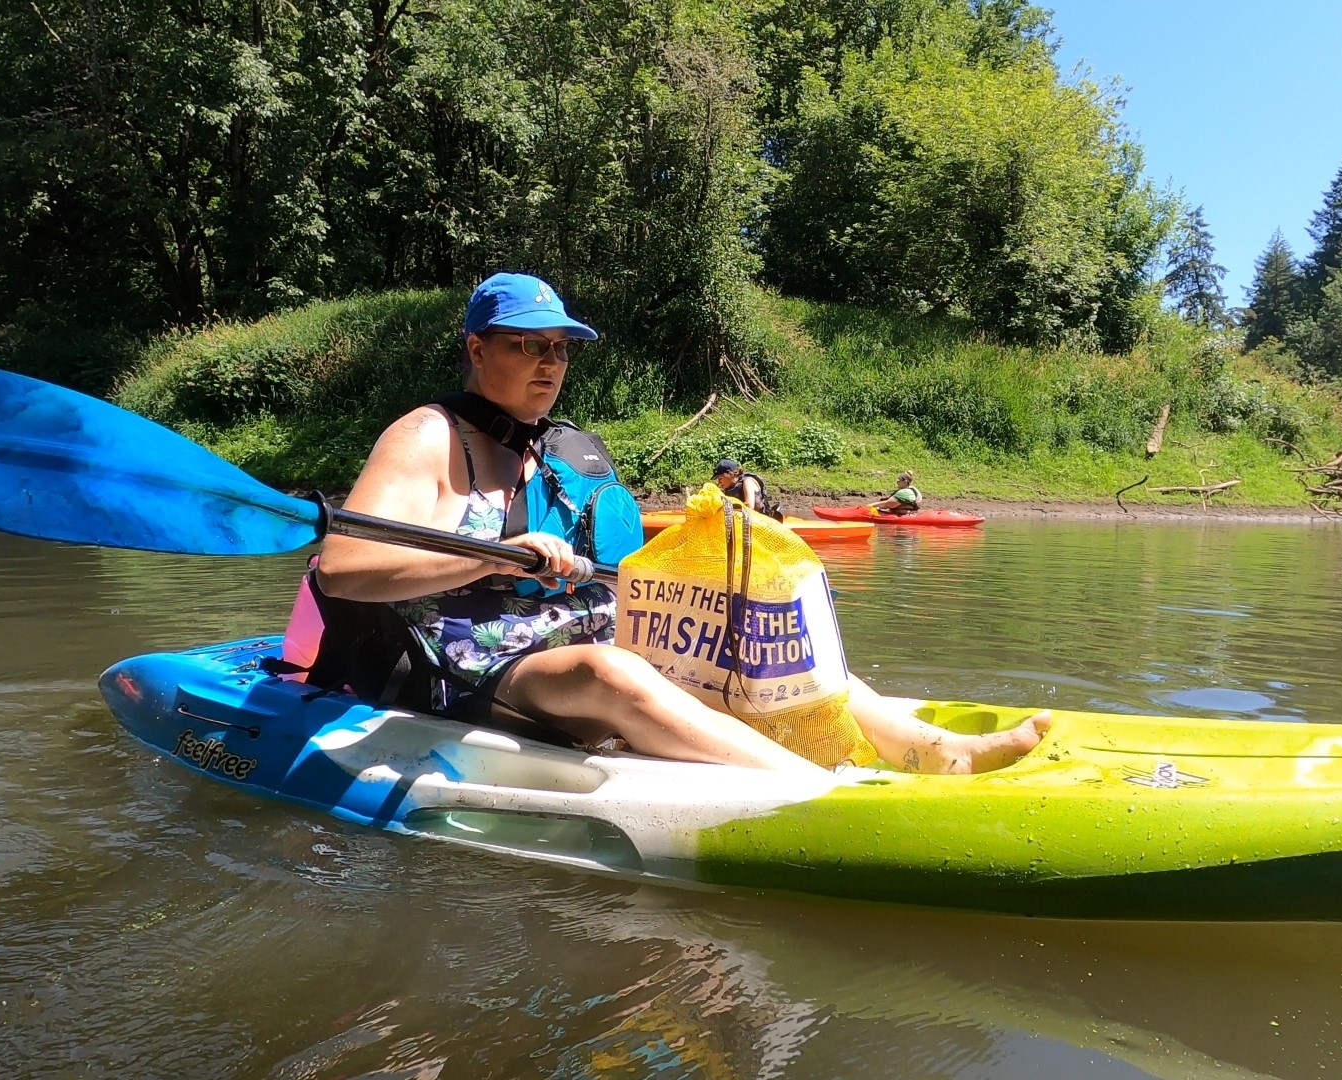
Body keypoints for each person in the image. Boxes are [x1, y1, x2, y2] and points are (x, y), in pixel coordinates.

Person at [313, 272, 1048, 774]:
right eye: (530, 345)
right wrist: (489, 556)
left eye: (562, 349)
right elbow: (341, 570)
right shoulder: (426, 436)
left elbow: (619, 557)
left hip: (577, 626)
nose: (552, 363)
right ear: (478, 350)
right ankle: (810, 791)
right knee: (609, 672)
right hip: (473, 662)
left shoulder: (554, 446)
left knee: (742, 631)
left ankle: (933, 749)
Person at [712, 458, 782, 521]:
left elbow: (749, 508)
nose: (719, 482)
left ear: (730, 474)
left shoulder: (747, 482)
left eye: (720, 478)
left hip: (762, 522)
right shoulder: (728, 489)